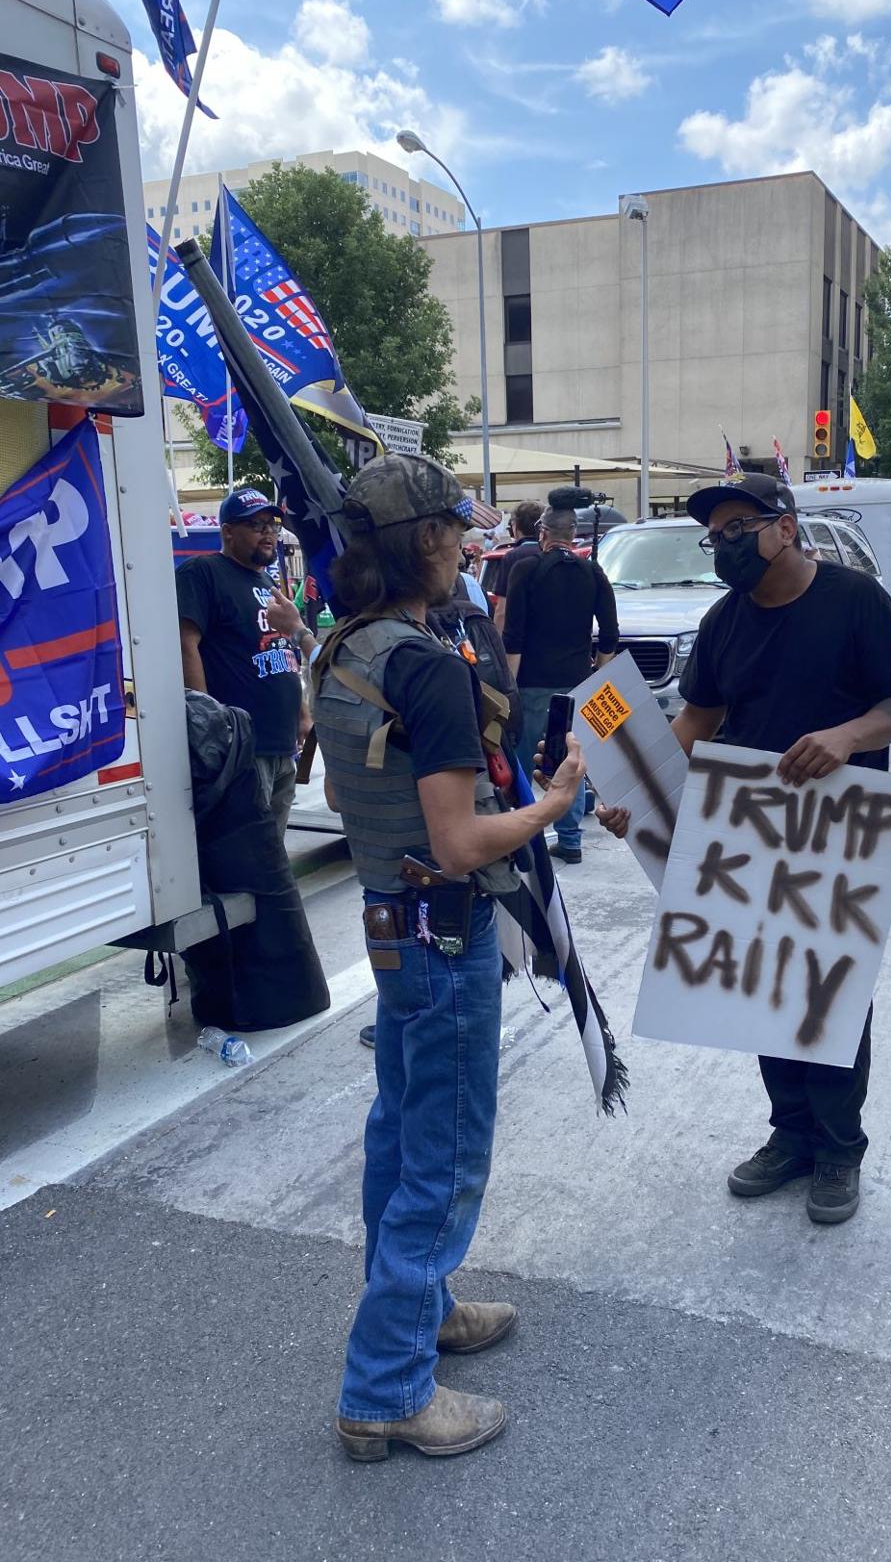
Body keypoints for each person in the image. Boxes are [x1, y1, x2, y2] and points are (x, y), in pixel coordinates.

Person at [310, 453, 586, 1463]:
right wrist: (552, 805)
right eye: (459, 530)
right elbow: (465, 841)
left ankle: (416, 1313)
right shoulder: (424, 663)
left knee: (401, 1132)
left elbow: (346, 802)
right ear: (425, 539)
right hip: (446, 924)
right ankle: (386, 1389)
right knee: (445, 1154)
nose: (473, 545)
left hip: (392, 918)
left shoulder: (348, 646)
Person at [597, 472, 891, 1225]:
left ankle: (840, 1148)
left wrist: (846, 738)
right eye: (716, 535)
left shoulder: (853, 601)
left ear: (785, 527)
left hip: (835, 828)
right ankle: (791, 1136)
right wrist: (633, 796)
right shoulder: (721, 623)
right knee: (765, 983)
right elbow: (696, 722)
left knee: (828, 989)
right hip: (745, 826)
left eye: (739, 529)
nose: (725, 545)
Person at [176, 489, 309, 839]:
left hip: (281, 742)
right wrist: (208, 722)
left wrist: (302, 711)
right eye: (255, 524)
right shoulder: (203, 573)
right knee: (248, 852)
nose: (268, 533)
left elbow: (282, 649)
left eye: (272, 524)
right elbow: (185, 643)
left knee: (273, 850)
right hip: (242, 746)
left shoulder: (267, 581)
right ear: (227, 531)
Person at [504, 505, 620, 865]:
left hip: (533, 680)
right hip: (577, 681)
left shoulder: (526, 569)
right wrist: (597, 672)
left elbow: (514, 636)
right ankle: (570, 838)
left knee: (526, 762)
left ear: (543, 533)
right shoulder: (592, 572)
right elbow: (611, 633)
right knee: (570, 758)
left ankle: (527, 836)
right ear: (573, 535)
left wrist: (510, 687)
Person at [490, 500, 542, 632]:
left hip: (520, 640)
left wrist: (497, 646)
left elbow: (502, 610)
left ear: (515, 526)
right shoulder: (552, 553)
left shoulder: (512, 558)